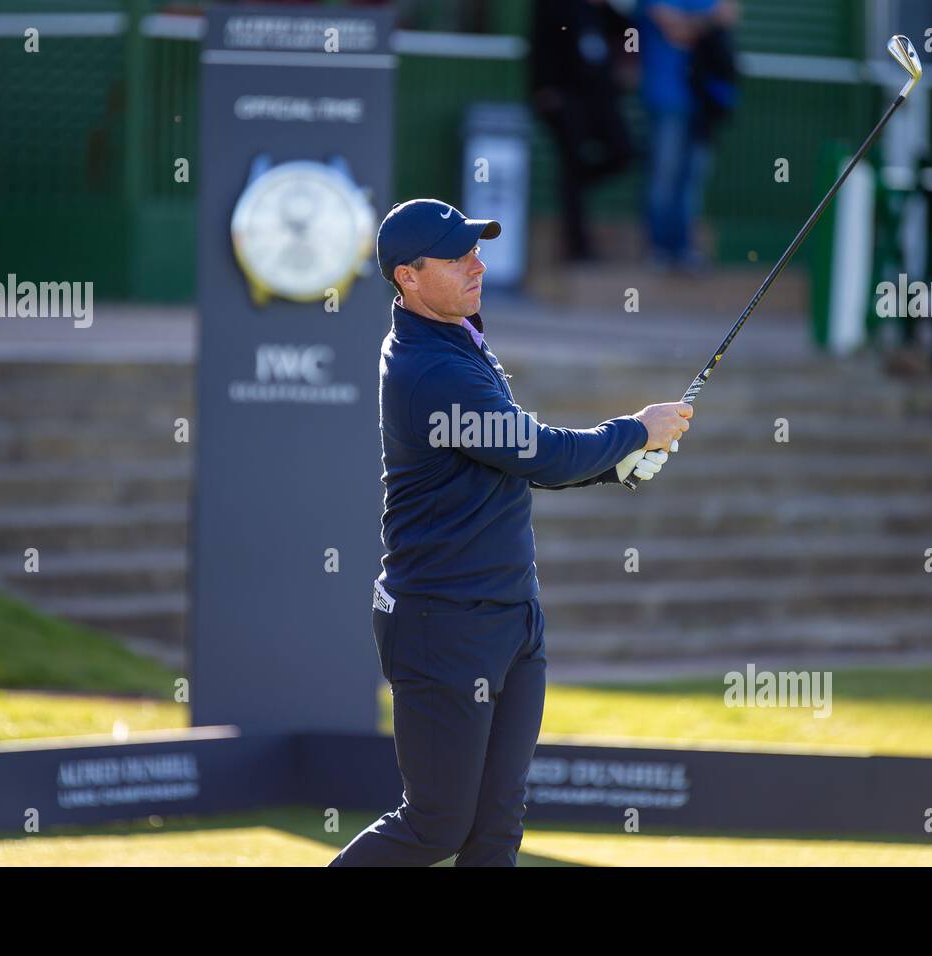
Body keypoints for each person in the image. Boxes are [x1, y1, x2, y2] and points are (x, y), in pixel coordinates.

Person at [329, 199, 690, 866]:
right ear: (408, 277)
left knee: (496, 824)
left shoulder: (457, 336)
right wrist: (637, 430)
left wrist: (616, 470)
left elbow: (514, 465)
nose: (479, 264)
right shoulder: (430, 369)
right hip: (445, 624)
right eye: (458, 255)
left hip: (509, 616)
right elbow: (540, 453)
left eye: (477, 249)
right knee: (436, 825)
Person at [638, 0, 739, 272]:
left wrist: (692, 23)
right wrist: (707, 21)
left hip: (703, 103)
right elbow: (675, 30)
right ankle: (659, 248)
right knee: (664, 174)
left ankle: (685, 249)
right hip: (667, 99)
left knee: (692, 178)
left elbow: (730, 14)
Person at [530, 0, 635, 262]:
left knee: (623, 152)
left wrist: (629, 62)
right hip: (565, 98)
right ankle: (577, 247)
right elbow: (540, 45)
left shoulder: (601, 11)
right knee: (571, 161)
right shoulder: (553, 7)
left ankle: (577, 185)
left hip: (600, 98)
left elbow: (629, 30)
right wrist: (544, 89)